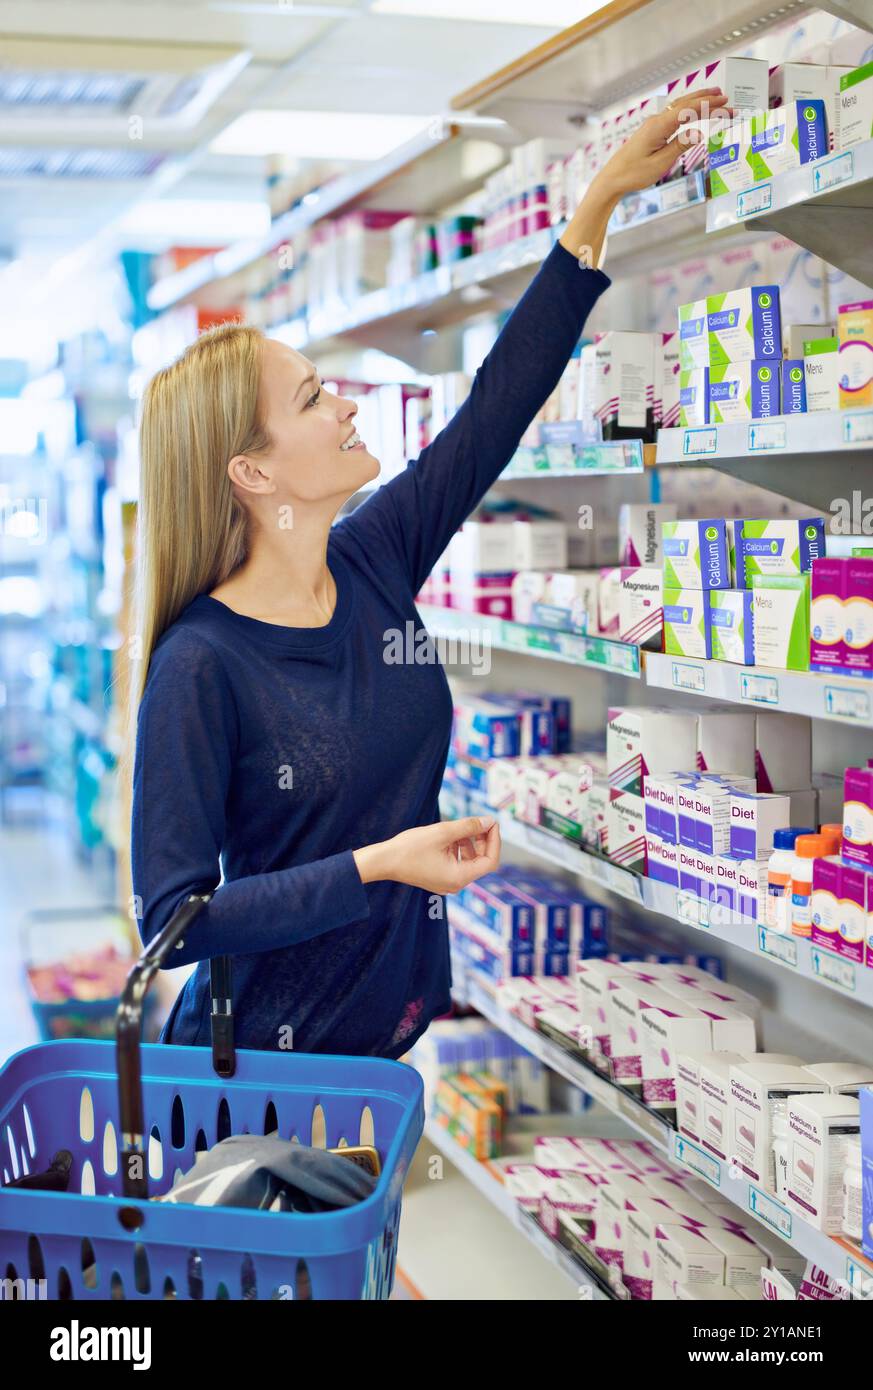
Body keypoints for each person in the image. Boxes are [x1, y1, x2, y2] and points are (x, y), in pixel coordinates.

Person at [132, 90, 727, 1059]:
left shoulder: (371, 559)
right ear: (254, 473)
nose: (347, 406)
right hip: (253, 1086)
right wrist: (381, 865)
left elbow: (490, 416)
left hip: (380, 1057)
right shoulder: (201, 665)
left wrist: (596, 205)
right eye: (316, 398)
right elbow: (178, 922)